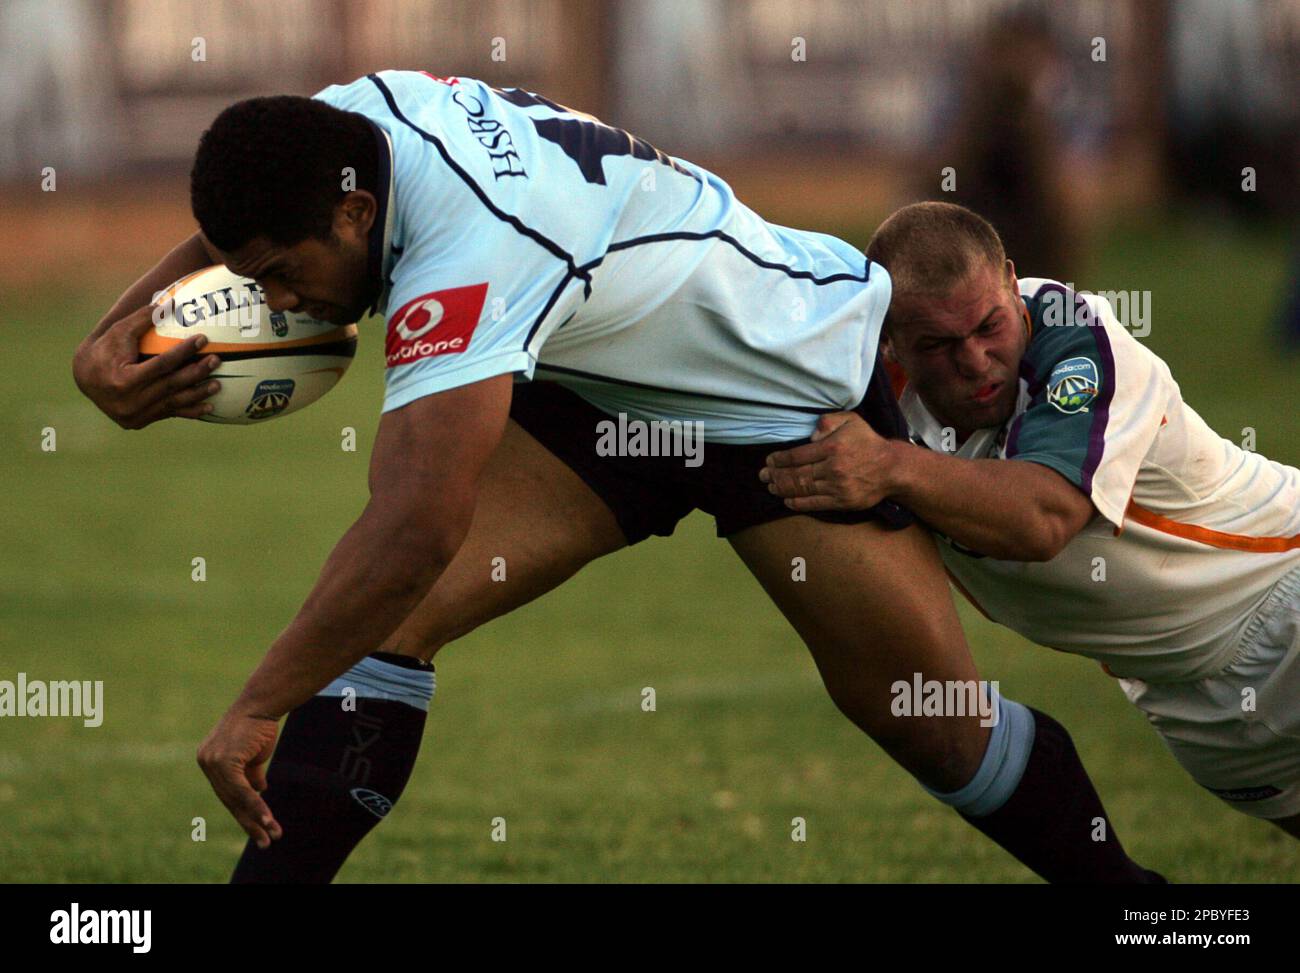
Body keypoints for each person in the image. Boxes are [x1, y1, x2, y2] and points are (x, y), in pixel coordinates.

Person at [72, 73, 1161, 883]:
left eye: (282, 276)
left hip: (781, 390)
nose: (277, 299)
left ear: (356, 215)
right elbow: (242, 228)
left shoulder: (469, 255)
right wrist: (113, 333)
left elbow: (415, 525)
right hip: (601, 376)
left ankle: (1136, 907)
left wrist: (258, 703)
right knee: (370, 630)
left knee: (934, 721)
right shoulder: (346, 123)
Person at [762, 201, 1300, 837]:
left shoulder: (1077, 335)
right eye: (937, 344)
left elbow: (1041, 520)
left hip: (1284, 595)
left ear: (1012, 283)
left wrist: (888, 466)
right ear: (890, 338)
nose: (974, 360)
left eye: (990, 326)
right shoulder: (869, 391)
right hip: (1178, 688)